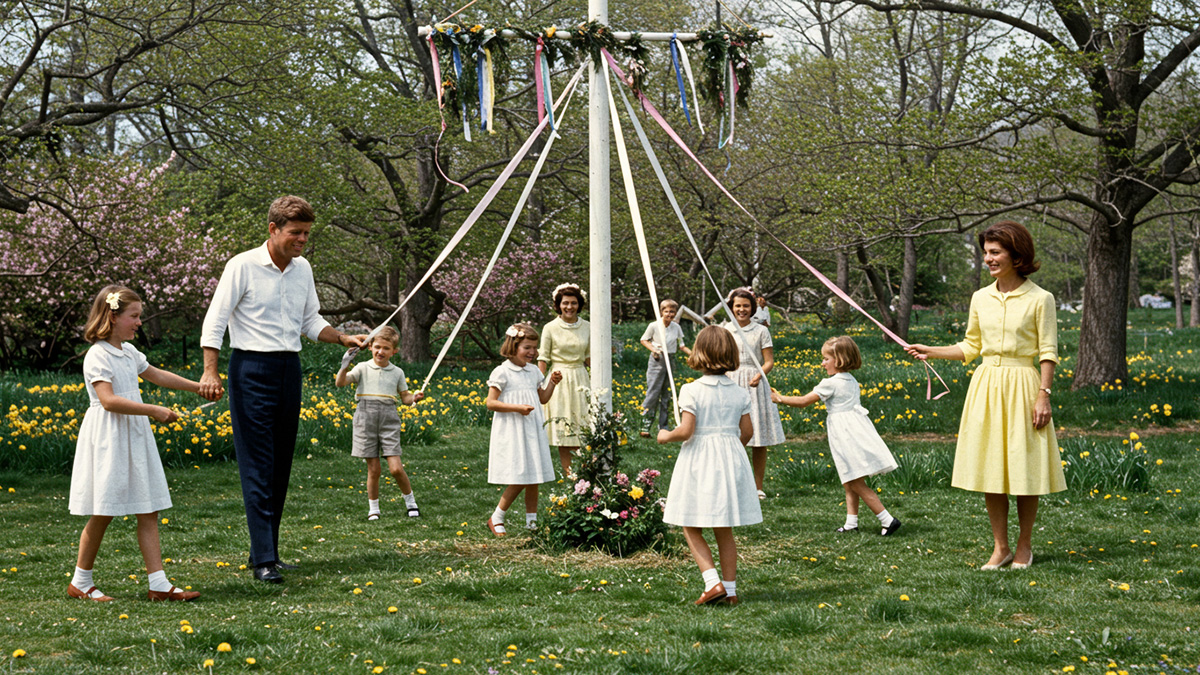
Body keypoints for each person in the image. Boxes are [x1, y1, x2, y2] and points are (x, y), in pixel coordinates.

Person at [200, 195, 367, 584]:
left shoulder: (302, 269)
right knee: (258, 464)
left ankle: (266, 550)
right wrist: (211, 372)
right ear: (273, 229)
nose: (302, 240)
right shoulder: (241, 265)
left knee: (279, 464)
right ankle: (263, 559)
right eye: (296, 233)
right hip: (250, 368)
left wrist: (342, 337)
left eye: (307, 234)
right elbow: (215, 322)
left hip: (289, 369)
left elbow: (310, 321)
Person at [906, 220, 1062, 571]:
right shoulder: (980, 297)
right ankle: (1000, 547)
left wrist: (1043, 395)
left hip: (1024, 384)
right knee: (993, 468)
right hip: (987, 385)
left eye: (996, 252)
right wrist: (930, 350)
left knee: (1024, 467)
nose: (988, 259)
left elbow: (1048, 351)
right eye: (986, 253)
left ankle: (1024, 545)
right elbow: (970, 346)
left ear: (1016, 254)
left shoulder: (1041, 298)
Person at [68, 286, 214, 602]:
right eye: (134, 316)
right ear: (112, 316)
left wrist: (198, 388)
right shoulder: (98, 354)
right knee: (103, 510)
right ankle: (81, 581)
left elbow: (158, 376)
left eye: (140, 317)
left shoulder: (129, 352)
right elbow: (107, 400)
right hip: (109, 437)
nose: (139, 323)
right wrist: (154, 410)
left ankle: (158, 584)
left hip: (133, 434)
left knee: (148, 508)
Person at [658, 326, 760, 606]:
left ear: (699, 353)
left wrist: (665, 435)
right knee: (724, 528)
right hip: (730, 455)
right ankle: (730, 590)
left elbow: (687, 430)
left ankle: (712, 582)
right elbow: (747, 432)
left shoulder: (691, 389)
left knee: (690, 524)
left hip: (700, 459)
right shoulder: (739, 392)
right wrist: (728, 447)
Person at [771, 336, 901, 536]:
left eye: (826, 359)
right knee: (849, 479)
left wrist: (779, 398)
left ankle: (887, 519)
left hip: (845, 434)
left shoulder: (830, 383)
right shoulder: (851, 381)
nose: (822, 363)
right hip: (855, 430)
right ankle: (851, 523)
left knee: (855, 481)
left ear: (838, 359)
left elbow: (804, 401)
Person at [335, 326, 425, 521]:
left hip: (388, 418)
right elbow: (340, 383)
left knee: (396, 469)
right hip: (365, 418)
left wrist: (415, 397)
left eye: (386, 348)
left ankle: (411, 503)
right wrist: (344, 366)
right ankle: (374, 509)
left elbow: (405, 398)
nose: (380, 352)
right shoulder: (362, 368)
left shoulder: (397, 372)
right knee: (374, 469)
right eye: (377, 347)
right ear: (370, 347)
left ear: (394, 351)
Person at [486, 323, 562, 536]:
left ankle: (532, 521)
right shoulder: (502, 372)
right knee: (520, 475)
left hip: (532, 427)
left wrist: (553, 383)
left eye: (534, 348)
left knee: (534, 475)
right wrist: (517, 408)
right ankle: (497, 516)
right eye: (527, 347)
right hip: (513, 429)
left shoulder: (533, 372)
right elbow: (491, 403)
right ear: (513, 346)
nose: (532, 352)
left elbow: (543, 399)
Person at [722, 288, 785, 499]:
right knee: (731, 433)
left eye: (746, 306)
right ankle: (731, 481)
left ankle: (757, 486)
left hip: (755, 384)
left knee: (757, 436)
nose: (742, 310)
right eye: (738, 306)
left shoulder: (761, 331)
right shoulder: (725, 329)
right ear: (731, 307)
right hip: (730, 380)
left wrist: (760, 374)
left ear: (753, 308)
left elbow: (769, 361)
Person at [538, 283, 590, 474]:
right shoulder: (550, 328)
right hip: (558, 379)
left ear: (579, 304)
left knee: (583, 424)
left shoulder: (588, 327)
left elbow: (589, 357)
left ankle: (586, 471)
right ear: (558, 305)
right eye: (565, 303)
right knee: (564, 425)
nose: (569, 307)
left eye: (573, 303)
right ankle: (570, 474)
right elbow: (543, 357)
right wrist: (538, 381)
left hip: (580, 378)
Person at [639, 299, 693, 437]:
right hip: (657, 360)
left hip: (671, 359)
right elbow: (644, 340)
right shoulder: (654, 325)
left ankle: (663, 426)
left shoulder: (676, 327)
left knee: (667, 394)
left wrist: (693, 354)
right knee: (653, 392)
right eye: (666, 311)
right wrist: (654, 349)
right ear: (661, 312)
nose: (669, 314)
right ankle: (645, 424)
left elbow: (681, 345)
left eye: (672, 311)